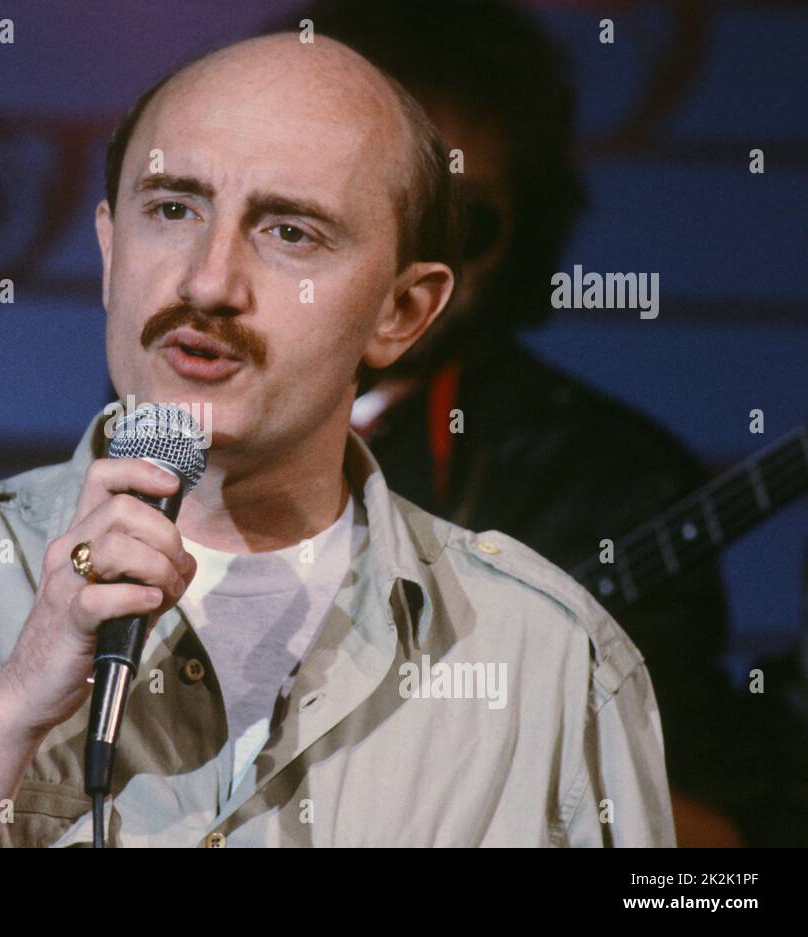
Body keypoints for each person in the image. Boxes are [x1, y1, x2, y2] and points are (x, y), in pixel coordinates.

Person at [0, 32, 674, 847]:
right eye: (172, 210)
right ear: (109, 249)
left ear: (403, 310)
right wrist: (10, 709)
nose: (208, 281)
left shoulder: (547, 655)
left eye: (290, 232)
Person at [295, 0, 767, 845]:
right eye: (379, 210)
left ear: (525, 236)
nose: (417, 262)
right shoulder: (190, 418)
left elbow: (710, 852)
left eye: (464, 222)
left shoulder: (609, 471)